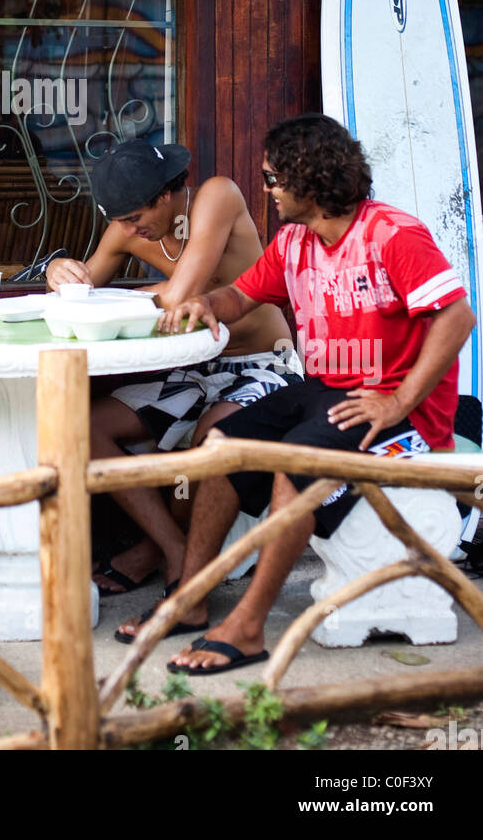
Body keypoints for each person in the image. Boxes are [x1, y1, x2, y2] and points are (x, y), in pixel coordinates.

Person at [152, 113, 475, 676]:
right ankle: (190, 599)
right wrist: (207, 304)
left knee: (293, 466)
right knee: (223, 444)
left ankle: (249, 628)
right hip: (324, 391)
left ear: (309, 178)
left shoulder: (392, 234)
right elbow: (240, 296)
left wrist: (399, 402)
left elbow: (456, 317)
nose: (266, 189)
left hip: (404, 418)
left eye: (273, 178)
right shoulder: (295, 241)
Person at [45, 137, 302, 615]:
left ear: (165, 195)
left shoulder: (216, 196)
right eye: (118, 221)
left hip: (264, 364)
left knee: (213, 439)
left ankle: (162, 556)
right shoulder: (128, 229)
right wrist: (59, 272)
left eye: (135, 218)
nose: (127, 230)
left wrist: (125, 297)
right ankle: (171, 549)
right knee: (80, 427)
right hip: (195, 370)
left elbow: (183, 294)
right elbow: (77, 293)